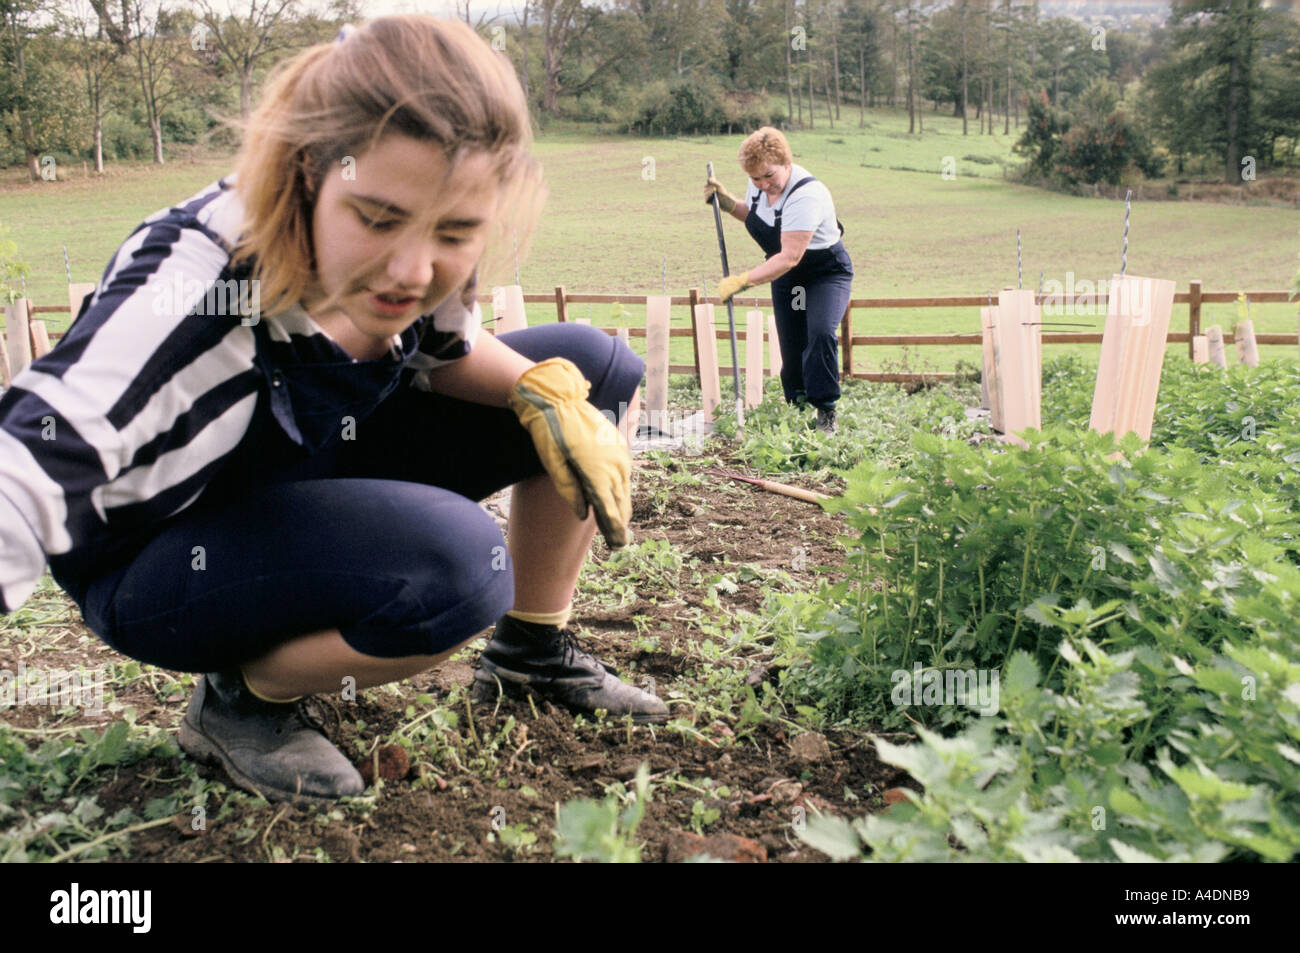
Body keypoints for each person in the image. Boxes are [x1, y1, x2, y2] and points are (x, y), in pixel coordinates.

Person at [0, 15, 667, 805]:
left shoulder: (422, 223)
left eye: (456, 230)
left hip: (298, 470)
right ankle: (240, 700)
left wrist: (543, 395)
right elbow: (27, 465)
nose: (413, 269)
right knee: (457, 569)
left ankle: (531, 652)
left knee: (589, 369)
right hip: (160, 555)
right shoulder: (196, 285)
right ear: (309, 170)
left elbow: (442, 350)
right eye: (378, 220)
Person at [704, 126, 853, 433]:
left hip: (823, 272)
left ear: (787, 163)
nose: (763, 184)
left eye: (768, 176)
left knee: (821, 333)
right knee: (793, 343)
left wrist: (742, 280)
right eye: (755, 178)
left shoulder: (806, 195)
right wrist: (728, 203)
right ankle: (796, 410)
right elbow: (759, 218)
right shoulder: (759, 185)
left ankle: (825, 413)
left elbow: (789, 256)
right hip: (790, 279)